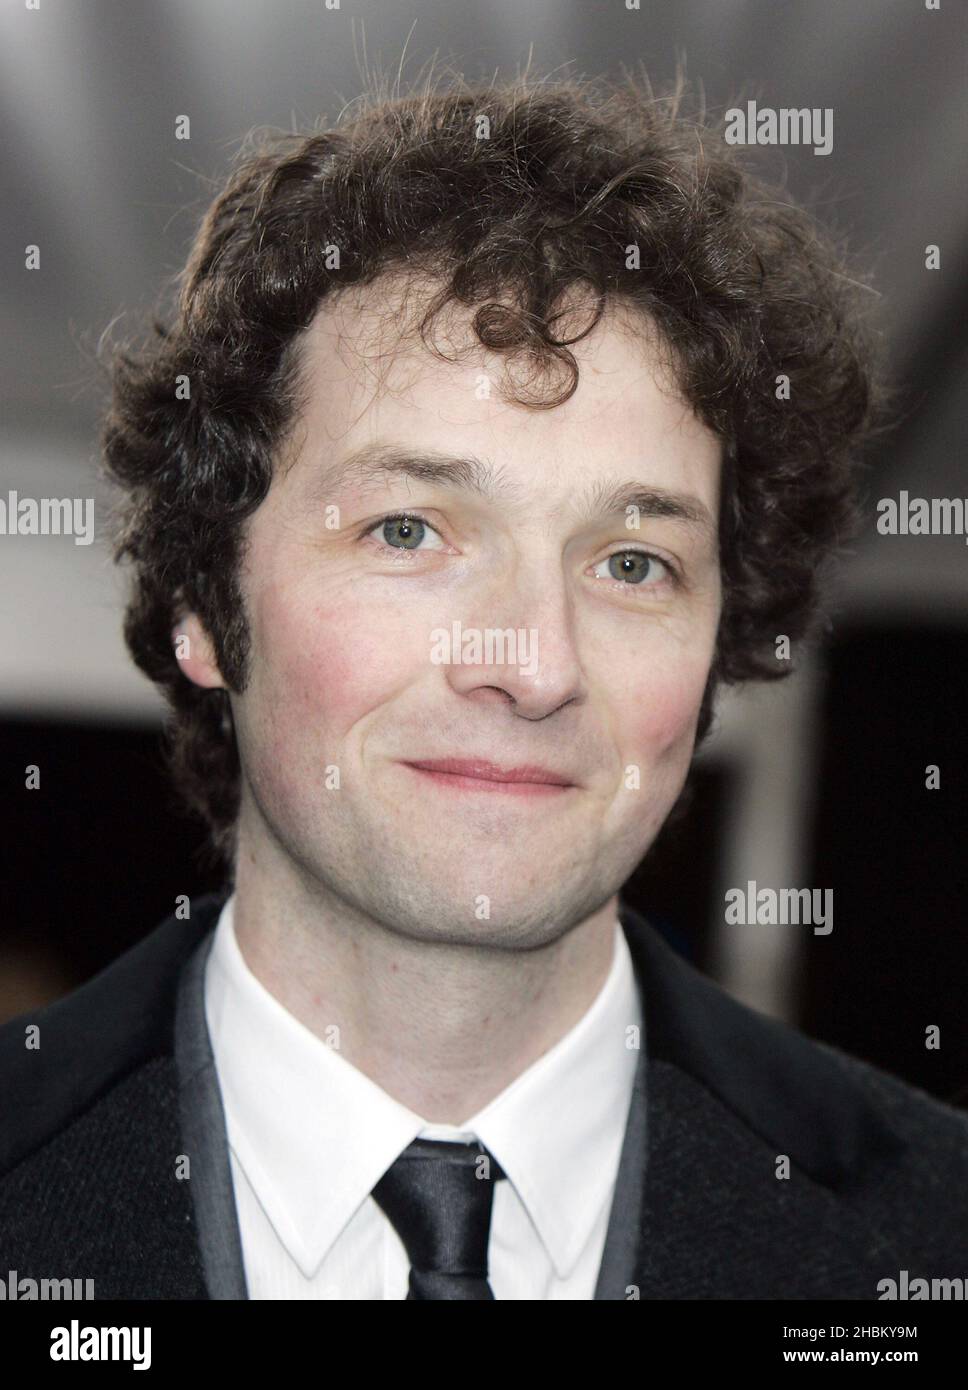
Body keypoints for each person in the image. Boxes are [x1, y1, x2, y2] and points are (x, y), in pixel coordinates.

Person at [2, 65, 966, 1300]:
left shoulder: (928, 1237)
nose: (534, 665)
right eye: (409, 531)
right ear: (204, 601)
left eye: (631, 560)